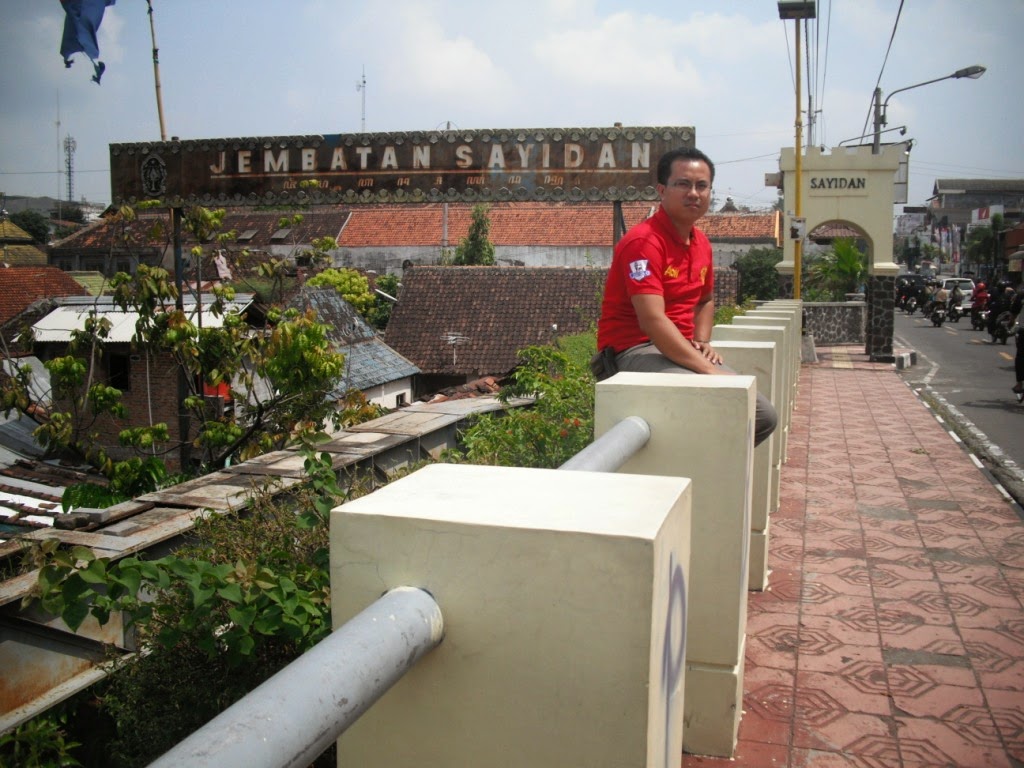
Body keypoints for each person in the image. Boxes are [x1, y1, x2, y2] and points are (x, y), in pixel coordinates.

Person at [595, 147, 778, 446]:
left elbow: (705, 300)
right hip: (634, 350)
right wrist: (708, 370)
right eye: (683, 184)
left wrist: (703, 341)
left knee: (761, 416)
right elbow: (652, 320)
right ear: (662, 190)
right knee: (741, 404)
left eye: (701, 186)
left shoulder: (701, 243)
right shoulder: (644, 242)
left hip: (678, 347)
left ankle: (699, 472)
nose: (693, 193)